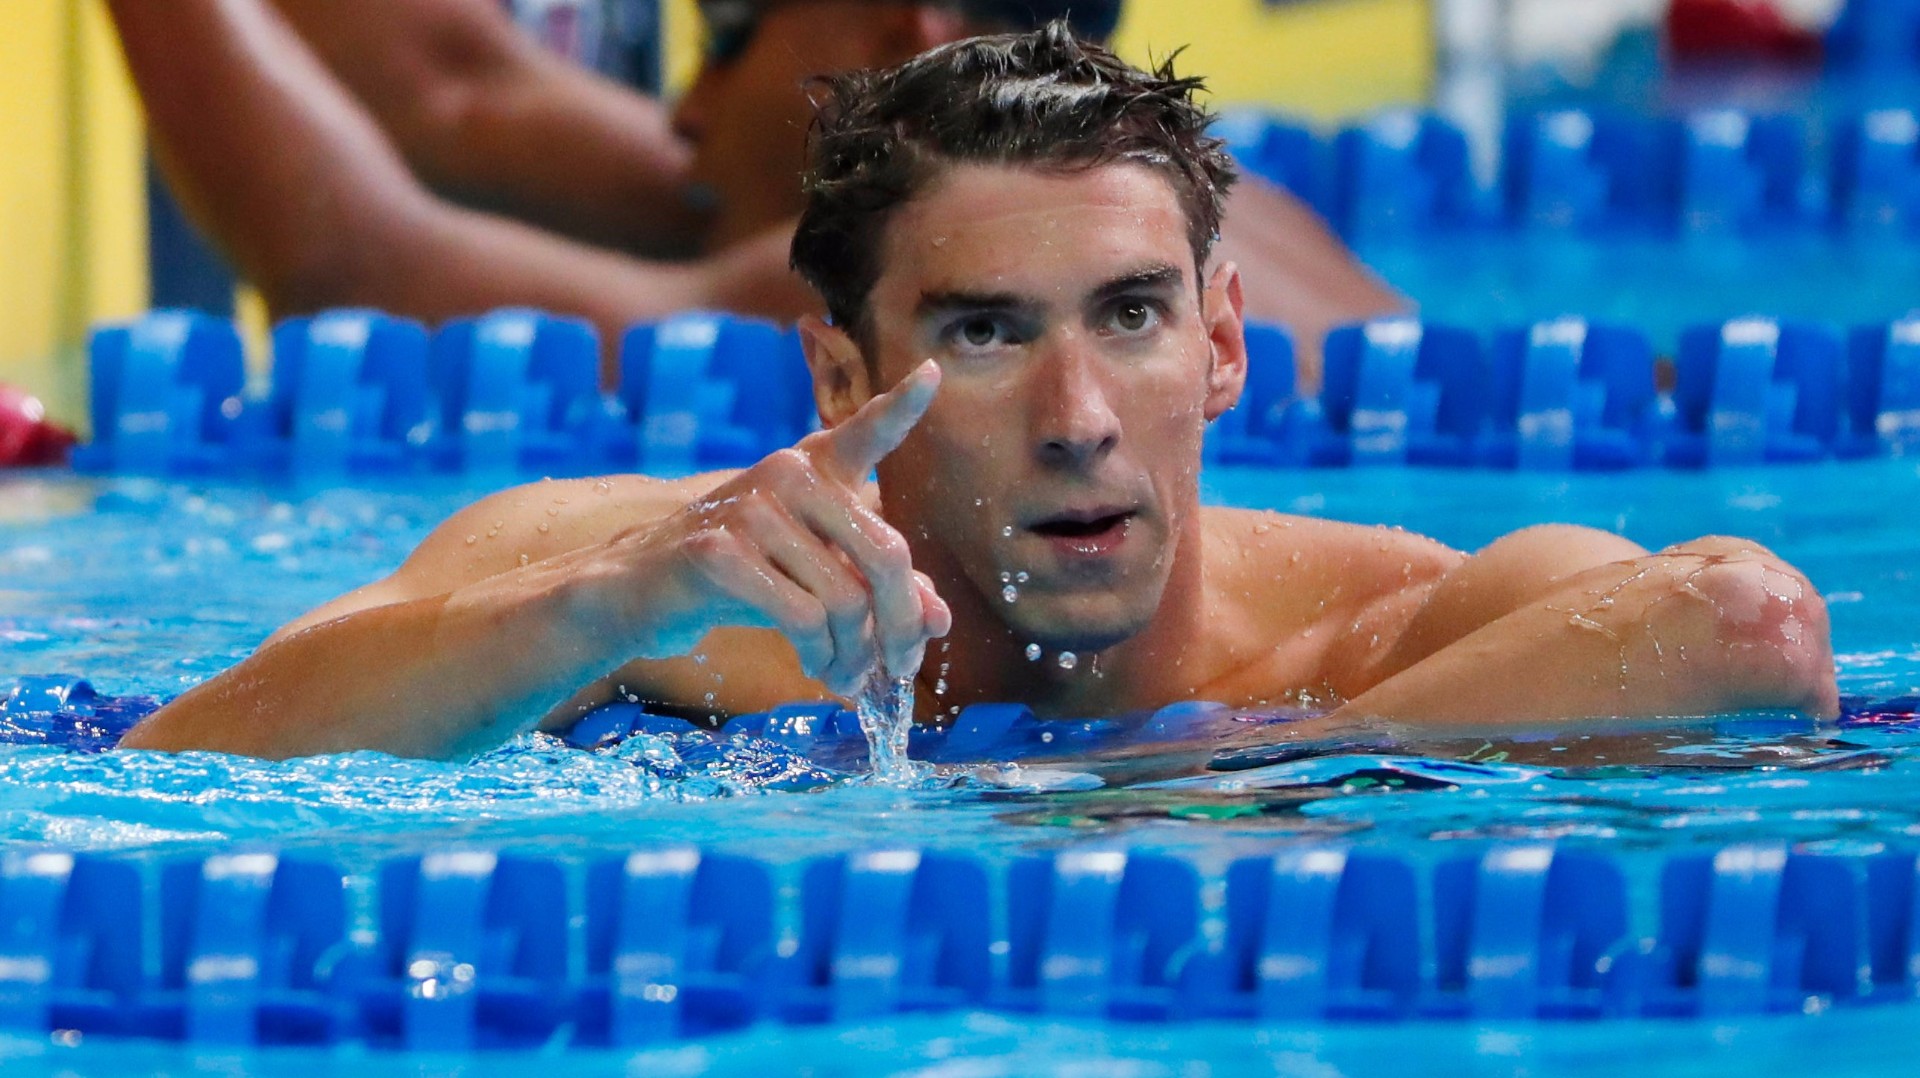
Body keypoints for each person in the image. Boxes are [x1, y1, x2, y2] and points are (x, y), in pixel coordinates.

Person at [119, 25, 1837, 761]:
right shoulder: (671, 594)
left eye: (1136, 318)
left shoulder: (1374, 639)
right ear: (843, 373)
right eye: (991, 335)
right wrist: (599, 608)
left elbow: (1752, 628)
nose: (1081, 408)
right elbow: (183, 758)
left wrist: (1255, 763)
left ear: (1223, 346)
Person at [106, 0, 1398, 383]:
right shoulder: (1241, 222)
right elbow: (460, 92)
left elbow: (361, 279)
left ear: (906, 31)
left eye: (726, 37)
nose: (683, 109)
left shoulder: (938, 287)